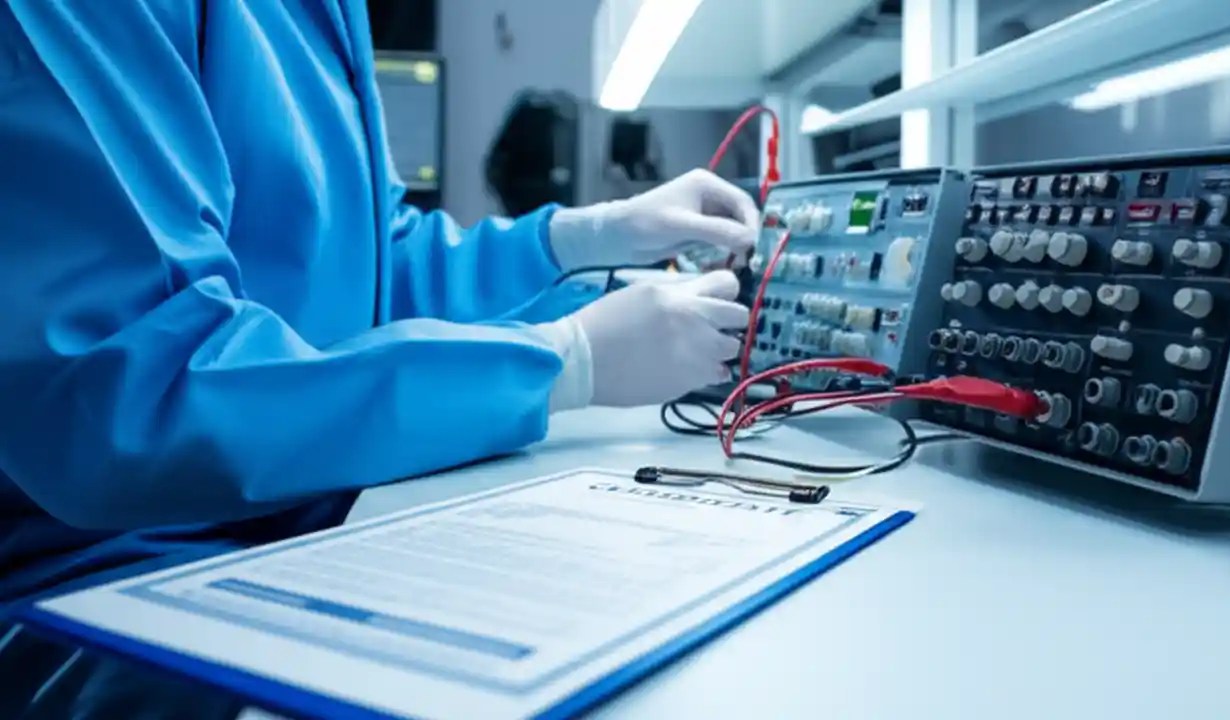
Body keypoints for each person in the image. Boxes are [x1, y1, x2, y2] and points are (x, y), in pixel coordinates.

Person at [0, 0, 759, 609]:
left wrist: (579, 237)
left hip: (278, 505)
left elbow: (376, 262)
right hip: (97, 570)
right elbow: (126, 398)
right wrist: (564, 362)